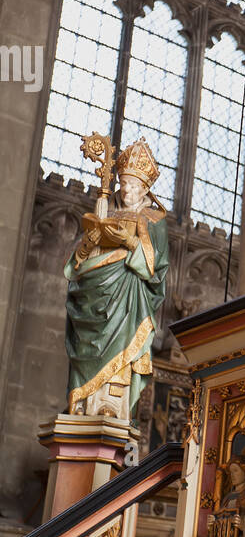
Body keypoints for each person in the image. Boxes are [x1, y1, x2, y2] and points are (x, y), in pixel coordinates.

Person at [65, 137, 168, 419]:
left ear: (145, 188)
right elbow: (76, 266)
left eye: (133, 185)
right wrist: (88, 244)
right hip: (96, 295)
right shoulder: (106, 212)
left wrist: (131, 244)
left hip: (128, 300)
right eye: (123, 183)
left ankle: (112, 408)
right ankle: (83, 402)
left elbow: (157, 269)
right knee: (89, 345)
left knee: (121, 349)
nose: (126, 190)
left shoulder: (154, 221)